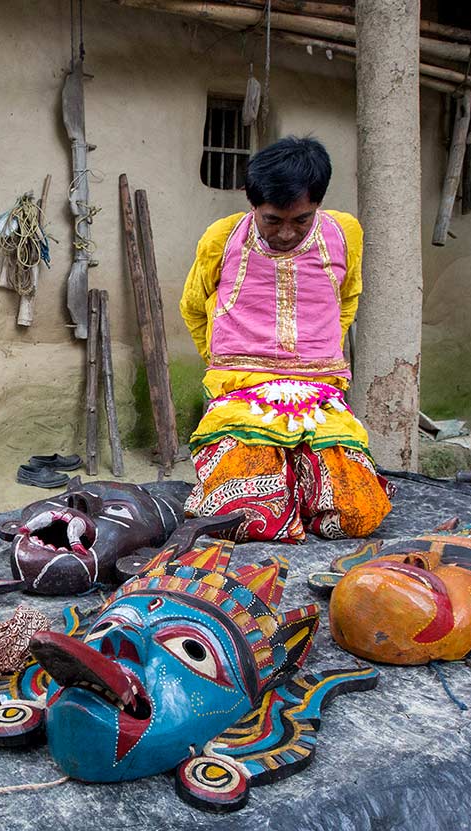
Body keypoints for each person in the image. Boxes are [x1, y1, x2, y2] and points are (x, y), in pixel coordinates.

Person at [178, 136, 392, 542]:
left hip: (318, 390)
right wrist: (222, 362)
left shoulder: (345, 233)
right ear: (252, 203)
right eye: (273, 220)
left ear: (318, 205)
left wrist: (321, 353)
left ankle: (301, 485)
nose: (287, 234)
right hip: (243, 389)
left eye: (302, 220)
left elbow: (347, 300)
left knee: (355, 513)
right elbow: (193, 305)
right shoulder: (222, 238)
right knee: (245, 516)